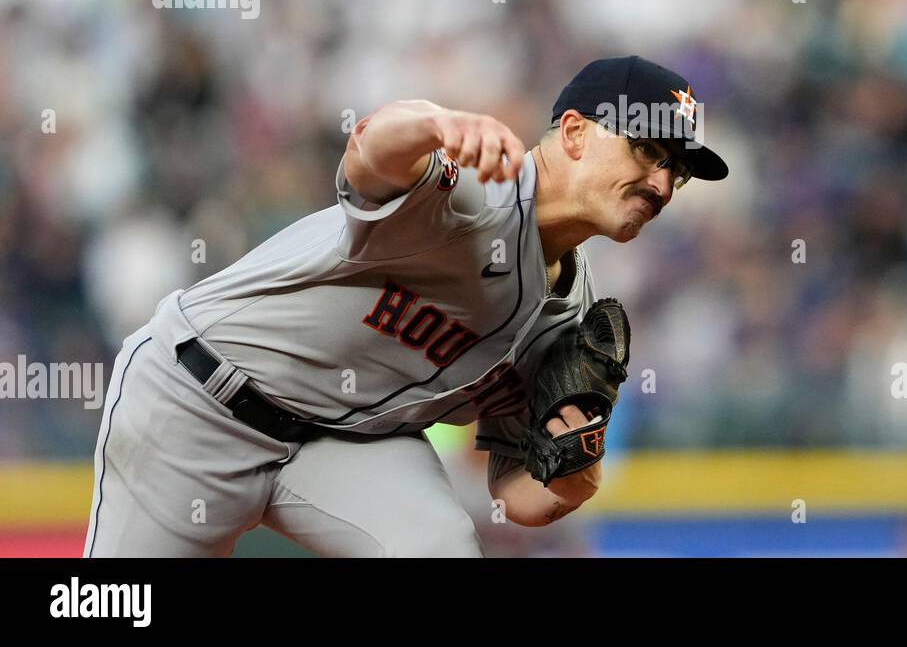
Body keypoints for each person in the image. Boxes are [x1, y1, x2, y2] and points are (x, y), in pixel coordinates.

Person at [83, 55, 727, 556]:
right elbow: (366, 157)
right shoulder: (479, 186)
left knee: (436, 548)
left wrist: (577, 463)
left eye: (679, 170)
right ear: (575, 132)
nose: (664, 184)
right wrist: (435, 123)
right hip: (198, 399)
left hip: (346, 443)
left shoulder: (569, 316)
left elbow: (518, 496)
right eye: (649, 150)